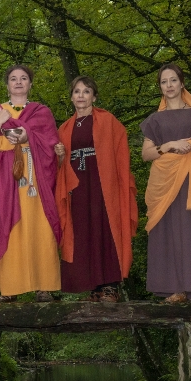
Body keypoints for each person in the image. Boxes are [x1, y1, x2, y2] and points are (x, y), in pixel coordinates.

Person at [0, 65, 69, 303]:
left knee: (40, 226)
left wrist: (27, 136)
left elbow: (50, 145)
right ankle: (9, 289)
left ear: (30, 84)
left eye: (23, 78)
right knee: (9, 228)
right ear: (6, 84)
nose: (18, 82)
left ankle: (44, 286)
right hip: (6, 182)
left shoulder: (41, 112)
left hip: (35, 180)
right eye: (13, 79)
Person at [141, 63, 191, 302]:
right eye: (164, 82)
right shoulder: (155, 119)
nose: (169, 86)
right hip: (164, 182)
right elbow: (146, 154)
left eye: (173, 80)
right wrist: (168, 146)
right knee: (168, 230)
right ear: (160, 87)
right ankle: (175, 290)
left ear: (182, 83)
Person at [55, 76, 138, 301]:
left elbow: (120, 154)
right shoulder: (64, 128)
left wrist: (118, 182)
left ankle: (111, 286)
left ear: (94, 96)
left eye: (86, 91)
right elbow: (60, 167)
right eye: (77, 91)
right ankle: (95, 287)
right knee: (85, 232)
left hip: (103, 183)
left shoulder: (108, 121)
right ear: (71, 97)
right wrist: (61, 158)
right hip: (78, 186)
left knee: (105, 228)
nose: (81, 95)